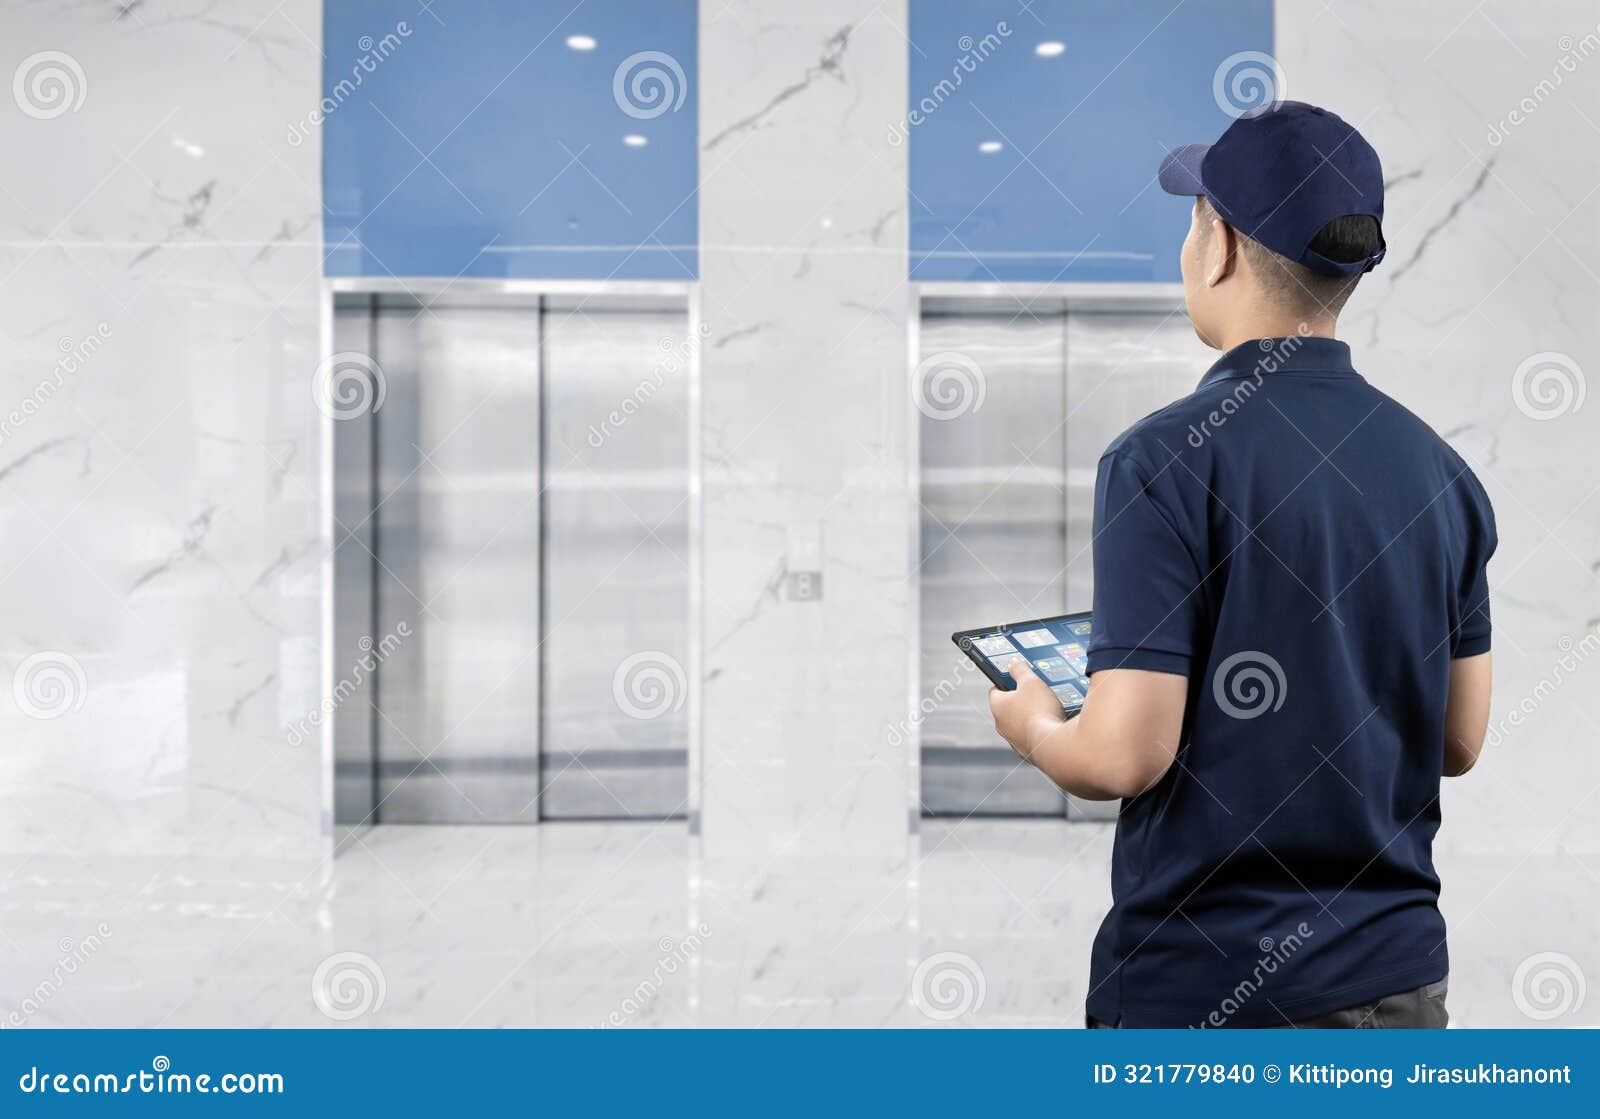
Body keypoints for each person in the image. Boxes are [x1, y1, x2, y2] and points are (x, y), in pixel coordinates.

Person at [986, 101, 1495, 1029]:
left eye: (1193, 221)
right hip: (1401, 982)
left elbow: (1123, 754)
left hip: (1209, 993)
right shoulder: (1443, 472)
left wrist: (1036, 727)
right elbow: (1458, 739)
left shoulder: (1160, 461)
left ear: (1218, 245)